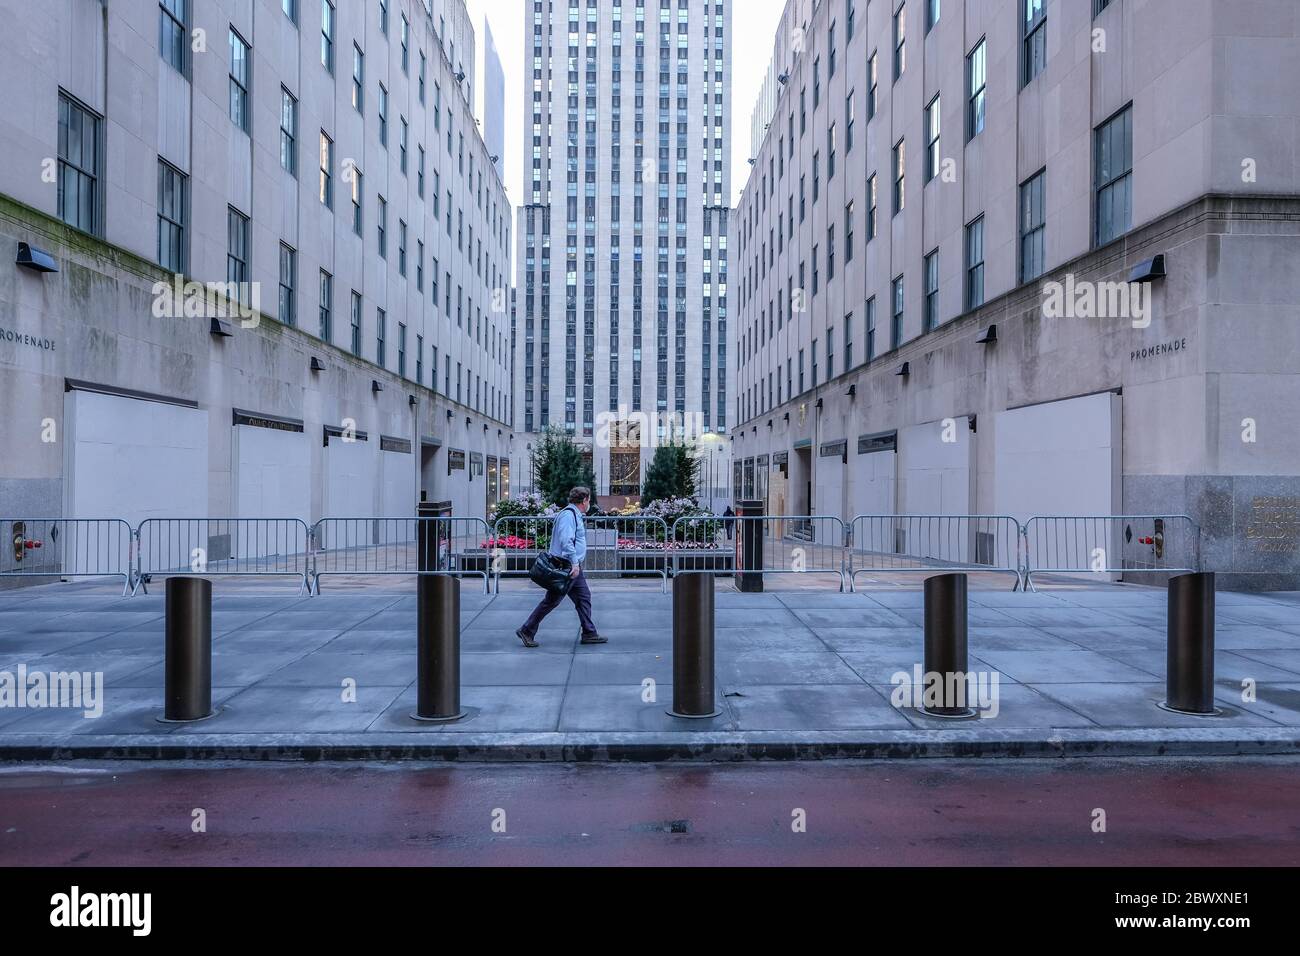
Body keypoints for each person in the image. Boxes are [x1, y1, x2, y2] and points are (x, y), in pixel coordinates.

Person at [516, 486, 606, 648]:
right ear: (584, 500)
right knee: (552, 601)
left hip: (569, 565)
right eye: (589, 500)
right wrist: (574, 563)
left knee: (583, 597)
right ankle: (527, 629)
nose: (590, 503)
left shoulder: (572, 514)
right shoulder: (568, 515)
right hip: (567, 566)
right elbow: (566, 541)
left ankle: (589, 632)